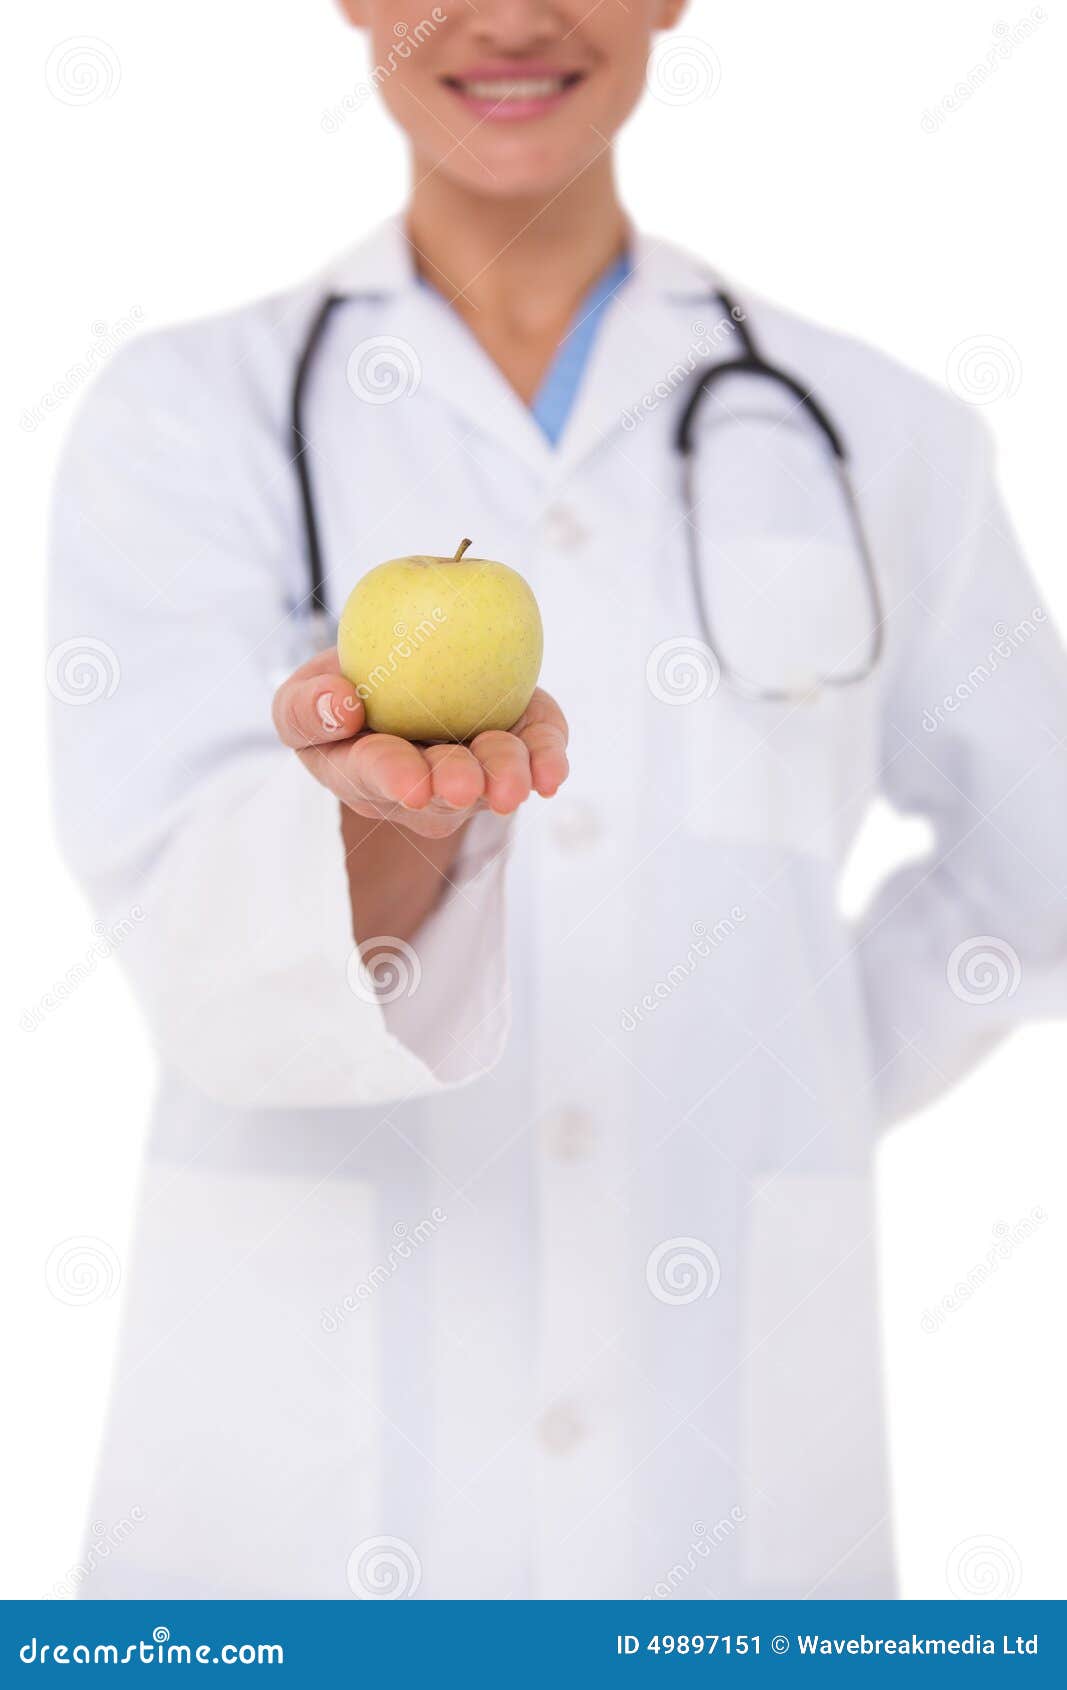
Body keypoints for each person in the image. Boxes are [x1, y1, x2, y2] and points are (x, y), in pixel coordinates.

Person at [49, 0, 1066, 1600]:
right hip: (289, 1509)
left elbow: (1041, 859)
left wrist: (782, 1066)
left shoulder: (883, 435)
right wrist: (391, 838)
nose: (514, 14)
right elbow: (190, 940)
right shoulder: (186, 416)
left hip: (724, 1493)